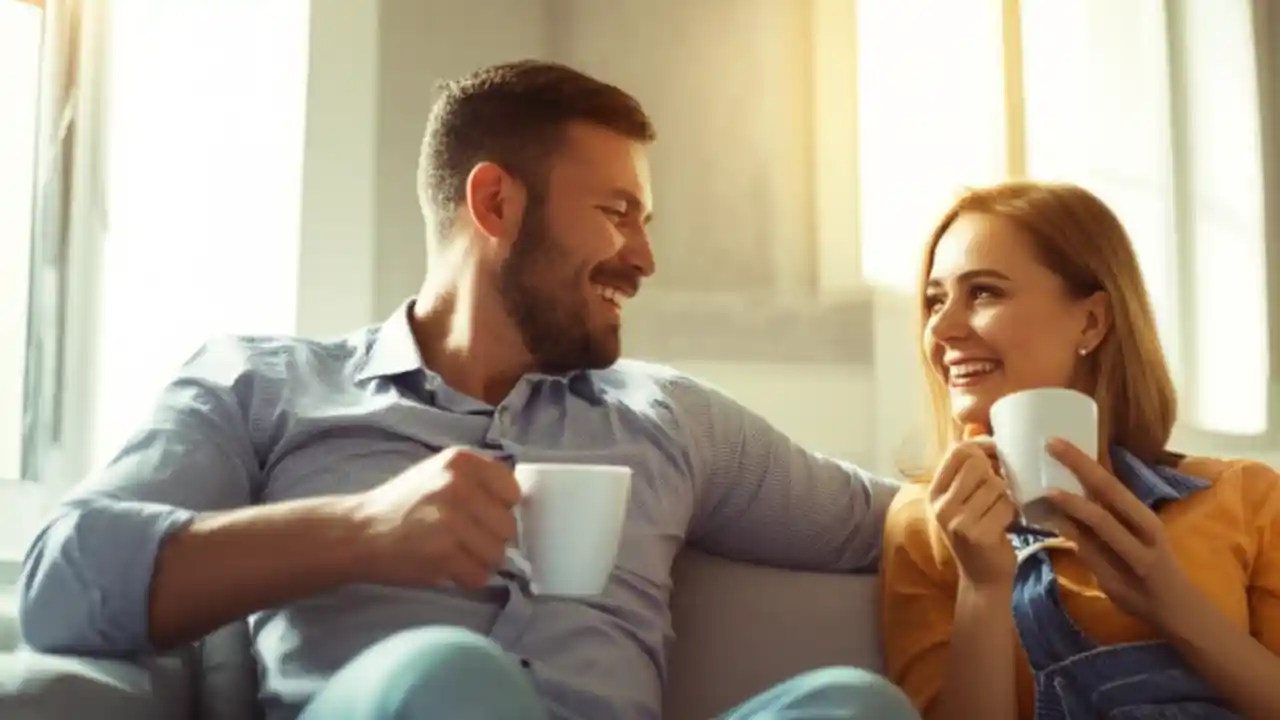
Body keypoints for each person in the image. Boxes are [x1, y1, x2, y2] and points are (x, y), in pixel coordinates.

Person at [18, 60, 918, 720]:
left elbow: (891, 520)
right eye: (617, 213)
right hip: (409, 701)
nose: (645, 258)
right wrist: (363, 529)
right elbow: (64, 582)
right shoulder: (265, 387)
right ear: (495, 205)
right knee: (446, 676)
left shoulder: (671, 418)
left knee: (854, 707)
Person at [880, 180, 1280, 719]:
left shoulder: (1245, 497)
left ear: (1091, 321)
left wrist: (1173, 603)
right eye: (935, 301)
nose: (943, 329)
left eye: (984, 293)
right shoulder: (925, 523)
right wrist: (982, 587)